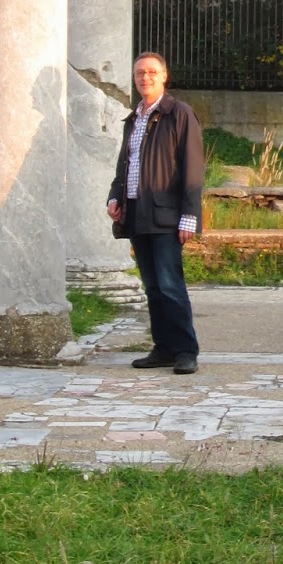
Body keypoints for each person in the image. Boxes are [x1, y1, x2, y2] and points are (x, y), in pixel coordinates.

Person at [106, 52, 203, 375]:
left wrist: (189, 216)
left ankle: (186, 349)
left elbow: (192, 169)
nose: (144, 78)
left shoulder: (179, 114)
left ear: (164, 76)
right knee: (151, 285)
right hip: (137, 213)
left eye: (151, 72)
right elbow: (126, 164)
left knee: (169, 283)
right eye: (139, 74)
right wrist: (114, 196)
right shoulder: (133, 119)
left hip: (167, 214)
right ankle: (163, 347)